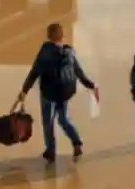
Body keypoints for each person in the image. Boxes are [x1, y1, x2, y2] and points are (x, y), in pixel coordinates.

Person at [17, 23, 98, 164]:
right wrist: (91, 85)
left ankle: (51, 151)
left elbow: (34, 74)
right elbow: (79, 73)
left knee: (48, 123)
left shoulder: (44, 54)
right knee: (63, 119)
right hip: (64, 93)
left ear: (48, 36)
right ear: (62, 37)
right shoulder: (69, 53)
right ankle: (76, 142)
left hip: (49, 94)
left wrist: (24, 91)